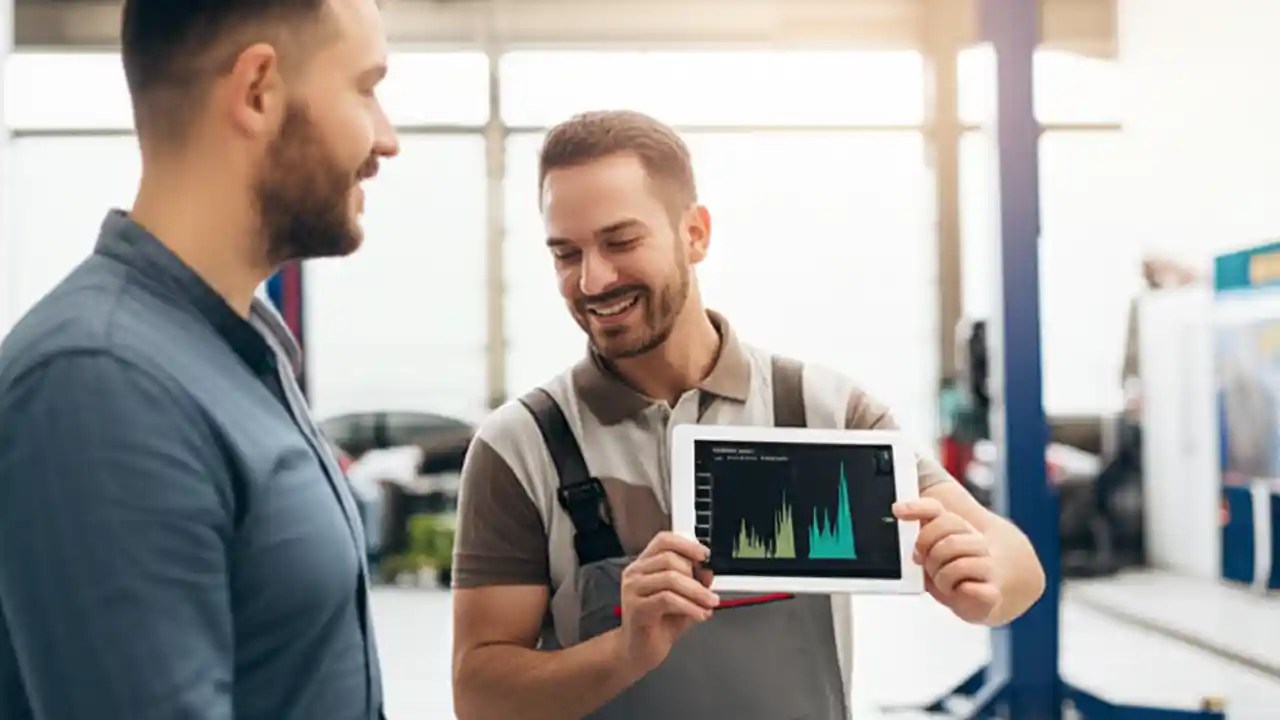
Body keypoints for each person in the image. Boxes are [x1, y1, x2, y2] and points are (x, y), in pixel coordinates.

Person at [450, 110, 1047, 719]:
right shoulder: (520, 447)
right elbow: (478, 696)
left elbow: (1019, 562)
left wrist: (984, 582)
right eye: (565, 253)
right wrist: (624, 652)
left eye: (620, 242)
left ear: (695, 234)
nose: (593, 278)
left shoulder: (821, 411)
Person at [0, 1, 399, 718]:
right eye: (365, 88)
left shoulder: (238, 341)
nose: (387, 138)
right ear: (258, 91)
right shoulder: (102, 382)